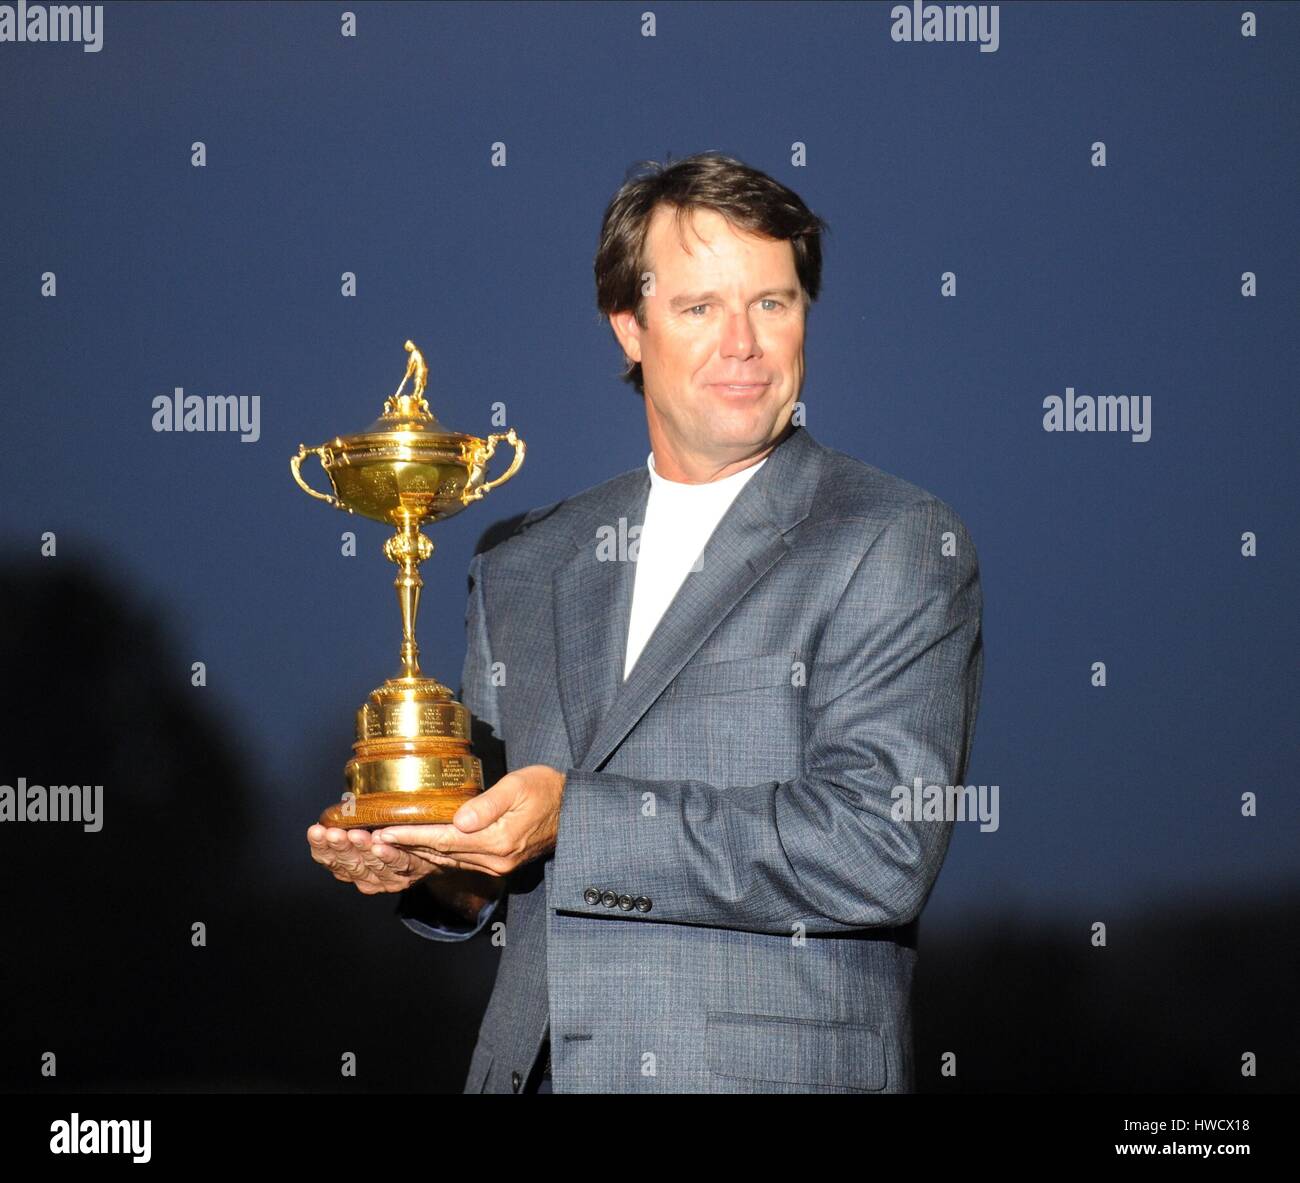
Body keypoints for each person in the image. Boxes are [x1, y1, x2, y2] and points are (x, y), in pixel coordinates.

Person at [306, 152, 984, 1094]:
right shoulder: (521, 560)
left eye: (773, 303)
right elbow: (508, 861)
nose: (743, 343)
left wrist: (574, 820)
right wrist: (426, 864)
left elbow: (881, 848)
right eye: (699, 307)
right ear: (629, 326)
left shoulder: (896, 538)